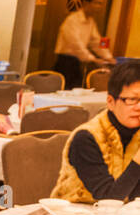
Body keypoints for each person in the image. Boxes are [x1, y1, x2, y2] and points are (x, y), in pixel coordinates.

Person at [51, 58, 140, 202]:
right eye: (132, 100)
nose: (138, 107)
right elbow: (108, 200)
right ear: (110, 102)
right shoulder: (87, 137)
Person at [53, 0, 114, 90]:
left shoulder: (91, 21)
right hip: (65, 62)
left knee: (77, 90)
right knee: (65, 91)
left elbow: (97, 41)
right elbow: (76, 45)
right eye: (97, 3)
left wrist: (108, 56)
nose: (99, 7)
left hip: (77, 63)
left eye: (101, 4)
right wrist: (93, 59)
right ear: (86, 3)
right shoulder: (72, 20)